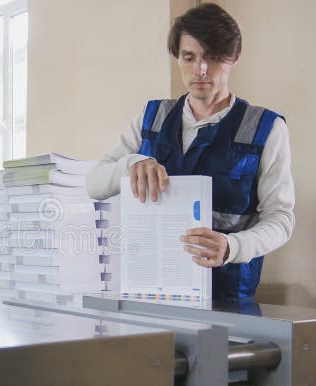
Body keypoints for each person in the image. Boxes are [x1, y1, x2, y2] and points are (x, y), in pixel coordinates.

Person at [86, 3, 295, 304]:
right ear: (177, 58)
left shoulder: (265, 128)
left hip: (227, 299)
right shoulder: (152, 117)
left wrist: (231, 246)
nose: (200, 70)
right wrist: (133, 163)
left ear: (234, 58)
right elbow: (94, 183)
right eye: (189, 57)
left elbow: (281, 219)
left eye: (212, 58)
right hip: (150, 292)